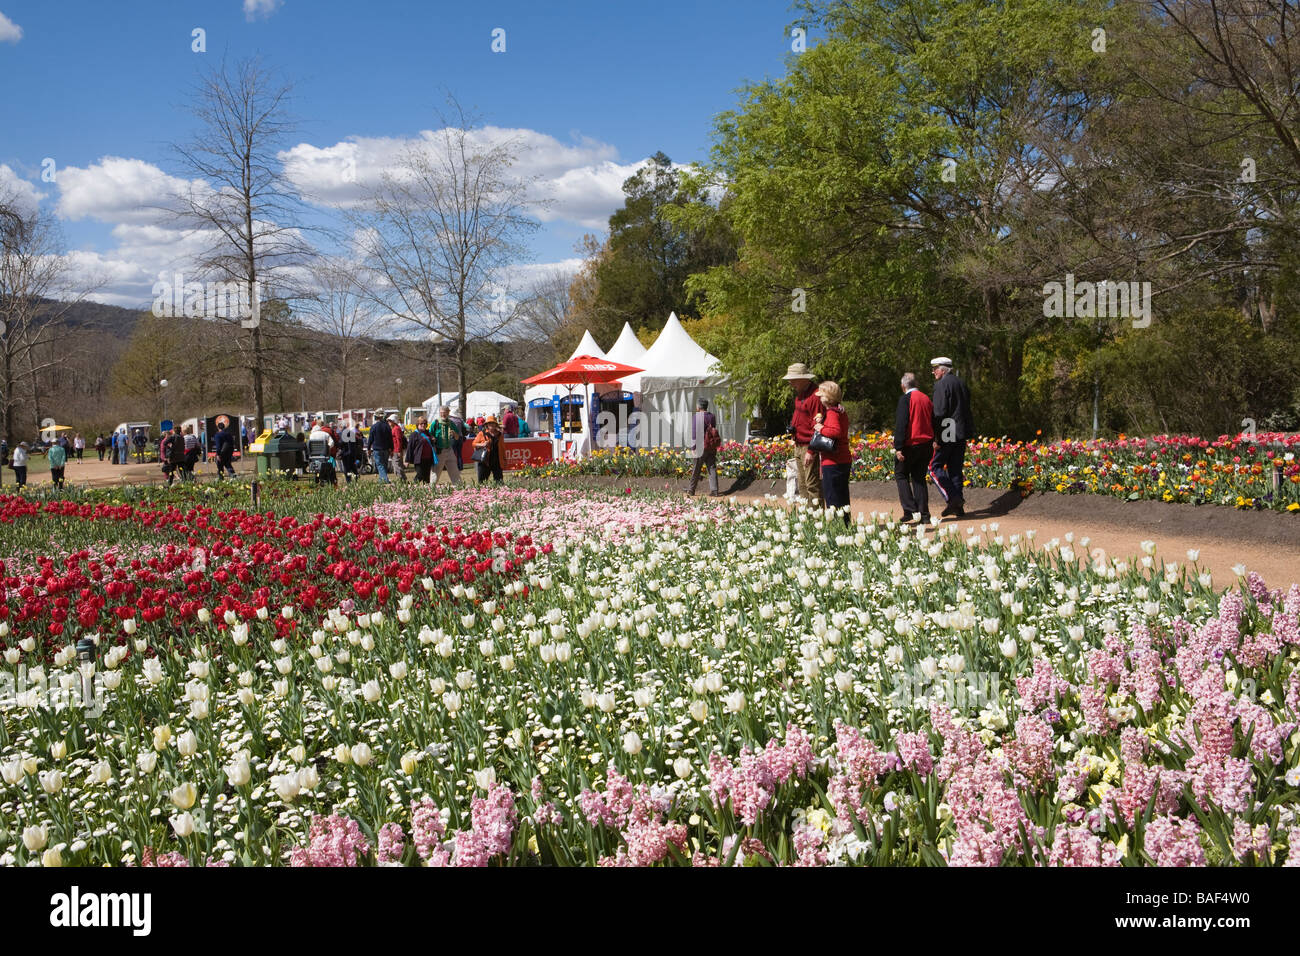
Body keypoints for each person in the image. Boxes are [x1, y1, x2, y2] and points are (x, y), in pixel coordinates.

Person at [929, 356, 974, 518]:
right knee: (955, 469)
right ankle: (958, 506)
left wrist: (936, 438)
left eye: (935, 369)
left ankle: (953, 499)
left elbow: (939, 413)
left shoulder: (942, 384)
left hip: (948, 431)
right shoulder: (961, 383)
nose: (933, 372)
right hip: (961, 432)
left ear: (942, 369)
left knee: (934, 467)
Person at [893, 372, 934, 524]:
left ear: (903, 386)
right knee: (919, 478)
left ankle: (910, 510)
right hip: (926, 443)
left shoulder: (905, 399)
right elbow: (933, 420)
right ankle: (924, 514)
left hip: (911, 444)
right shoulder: (925, 398)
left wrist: (898, 447)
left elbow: (902, 423)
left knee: (901, 474)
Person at [813, 381, 852, 525]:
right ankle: (845, 526)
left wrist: (820, 428)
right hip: (842, 459)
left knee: (833, 497)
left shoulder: (832, 412)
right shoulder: (839, 410)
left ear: (827, 397)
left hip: (833, 461)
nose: (819, 398)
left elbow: (835, 431)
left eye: (821, 396)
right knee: (842, 497)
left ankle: (837, 528)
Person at [785, 363, 825, 505]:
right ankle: (808, 518)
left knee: (811, 485)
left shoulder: (815, 396)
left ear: (803, 379)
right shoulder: (800, 396)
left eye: (793, 379)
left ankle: (818, 518)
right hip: (799, 444)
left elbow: (818, 426)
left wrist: (811, 450)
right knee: (801, 485)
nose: (790, 383)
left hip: (809, 446)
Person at [688, 398, 721, 497]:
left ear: (699, 407)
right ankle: (714, 490)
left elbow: (694, 433)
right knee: (712, 467)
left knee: (696, 469)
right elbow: (712, 430)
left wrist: (693, 447)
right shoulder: (712, 416)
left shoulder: (697, 416)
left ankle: (691, 490)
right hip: (711, 446)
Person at [431, 406, 463, 487]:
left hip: (449, 449)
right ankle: (432, 487)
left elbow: (457, 437)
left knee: (454, 469)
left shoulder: (451, 423)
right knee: (436, 470)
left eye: (444, 413)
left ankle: (458, 486)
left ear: (448, 413)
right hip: (439, 450)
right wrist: (433, 438)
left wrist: (454, 434)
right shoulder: (436, 422)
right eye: (441, 413)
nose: (443, 414)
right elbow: (430, 434)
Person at [473, 415, 505, 484]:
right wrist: (482, 444)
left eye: (493, 423)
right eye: (490, 423)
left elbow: (502, 448)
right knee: (482, 482)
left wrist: (504, 459)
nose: (491, 425)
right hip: (485, 461)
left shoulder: (500, 435)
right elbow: (474, 444)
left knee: (499, 482)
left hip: (497, 461)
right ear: (487, 425)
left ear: (496, 424)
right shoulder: (482, 433)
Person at [406, 417, 437, 484]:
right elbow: (410, 448)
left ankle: (426, 491)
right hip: (419, 459)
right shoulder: (414, 434)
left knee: (426, 477)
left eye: (425, 423)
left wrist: (433, 440)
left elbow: (432, 443)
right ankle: (413, 485)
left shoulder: (428, 433)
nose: (423, 425)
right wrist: (407, 460)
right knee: (420, 474)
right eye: (421, 423)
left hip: (428, 458)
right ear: (417, 424)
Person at [367, 414, 393, 483]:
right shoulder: (387, 427)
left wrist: (368, 448)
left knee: (380, 465)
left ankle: (385, 479)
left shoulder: (374, 427)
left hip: (377, 449)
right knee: (384, 464)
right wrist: (391, 448)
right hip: (386, 448)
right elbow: (390, 438)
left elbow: (370, 439)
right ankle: (381, 479)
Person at [388, 414, 408, 483]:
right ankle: (401, 479)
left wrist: (399, 450)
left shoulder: (396, 429)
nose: (389, 422)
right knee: (396, 465)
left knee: (397, 465)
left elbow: (399, 440)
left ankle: (402, 479)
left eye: (390, 421)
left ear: (394, 421)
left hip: (397, 450)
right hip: (394, 450)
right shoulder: (394, 428)